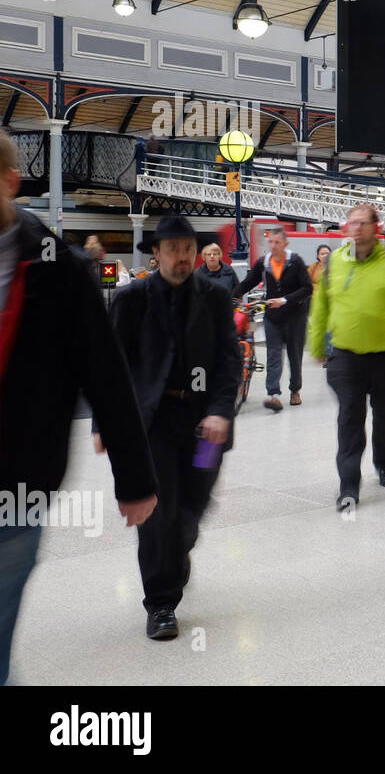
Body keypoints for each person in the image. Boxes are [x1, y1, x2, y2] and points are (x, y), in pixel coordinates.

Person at [0, 129, 158, 681]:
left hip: (16, 484)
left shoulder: (59, 271)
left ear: (10, 182)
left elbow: (107, 374)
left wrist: (135, 479)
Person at [99, 215, 239, 641]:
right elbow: (113, 367)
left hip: (204, 430)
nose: (183, 257)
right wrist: (109, 422)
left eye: (188, 249)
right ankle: (161, 603)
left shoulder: (215, 297)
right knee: (159, 515)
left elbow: (229, 361)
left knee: (192, 507)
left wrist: (219, 410)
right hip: (154, 423)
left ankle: (178, 551)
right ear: (156, 253)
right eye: (173, 249)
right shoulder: (132, 298)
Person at [307, 204, 385, 511]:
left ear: (376, 227)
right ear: (346, 227)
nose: (357, 228)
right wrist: (316, 344)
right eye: (353, 223)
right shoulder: (336, 261)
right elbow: (321, 303)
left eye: (363, 223)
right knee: (350, 418)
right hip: (346, 357)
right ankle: (349, 486)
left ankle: (384, 464)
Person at [233, 226, 313, 411]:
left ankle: (295, 390)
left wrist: (284, 300)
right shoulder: (264, 263)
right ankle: (274, 395)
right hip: (273, 318)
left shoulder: (296, 262)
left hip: (295, 316)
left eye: (277, 242)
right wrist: (233, 296)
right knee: (273, 355)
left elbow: (307, 288)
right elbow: (248, 282)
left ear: (286, 243)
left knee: (295, 355)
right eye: (270, 242)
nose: (273, 245)